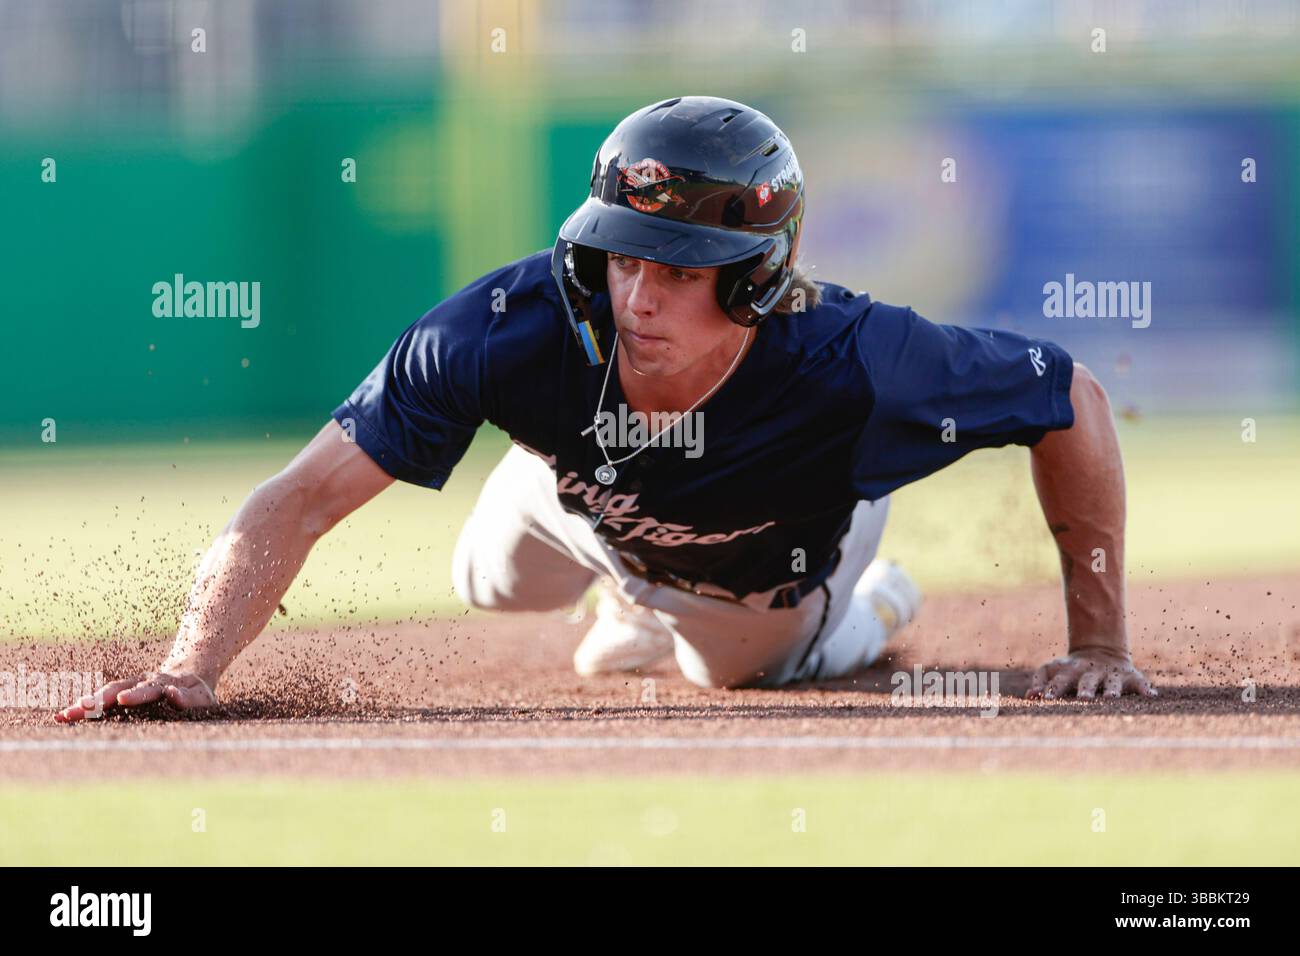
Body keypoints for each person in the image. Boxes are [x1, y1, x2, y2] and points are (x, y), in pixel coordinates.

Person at [56, 95, 1154, 723]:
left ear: (760, 275)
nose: (639, 293)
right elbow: (298, 498)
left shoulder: (858, 358)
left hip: (772, 549)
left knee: (736, 673)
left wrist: (1098, 640)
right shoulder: (503, 329)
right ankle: (618, 577)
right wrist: (192, 664)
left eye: (680, 268)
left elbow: (1072, 397)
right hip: (581, 491)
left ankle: (874, 598)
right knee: (482, 582)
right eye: (621, 257)